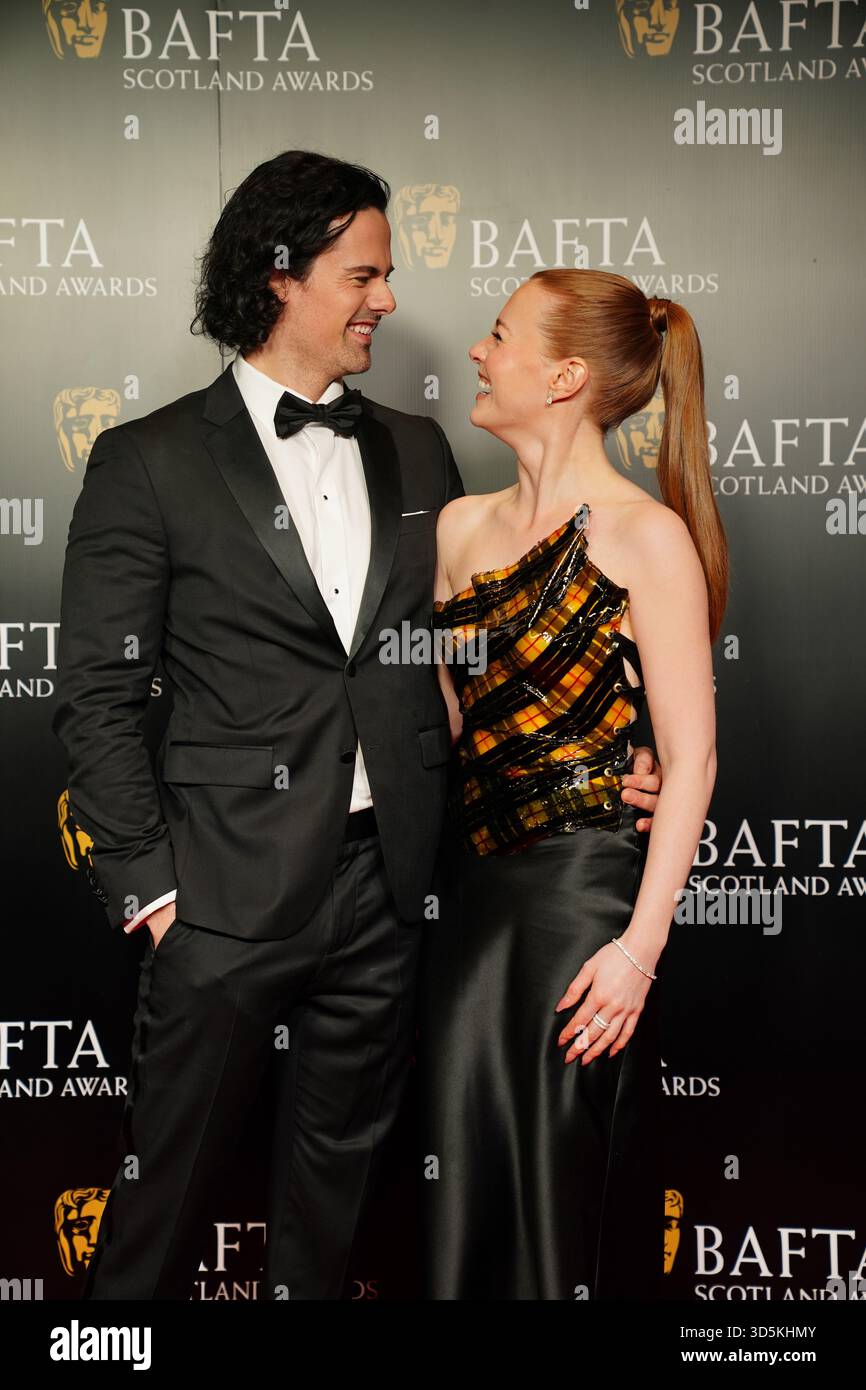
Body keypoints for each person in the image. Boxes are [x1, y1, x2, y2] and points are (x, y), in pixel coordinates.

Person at [51, 150, 664, 1301]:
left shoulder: (417, 450)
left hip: (386, 897)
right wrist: (155, 893)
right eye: (365, 272)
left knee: (329, 1226)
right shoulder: (149, 461)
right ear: (280, 273)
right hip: (220, 903)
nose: (388, 298)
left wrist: (590, 748)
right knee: (153, 1228)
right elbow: (94, 695)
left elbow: (434, 654)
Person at [420, 269, 727, 1300]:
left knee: (562, 1226)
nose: (475, 350)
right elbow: (452, 724)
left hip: (580, 919)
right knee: (459, 1214)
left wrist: (637, 953)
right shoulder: (457, 529)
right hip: (466, 912)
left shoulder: (646, 537)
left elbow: (689, 760)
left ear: (561, 374)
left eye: (496, 335)